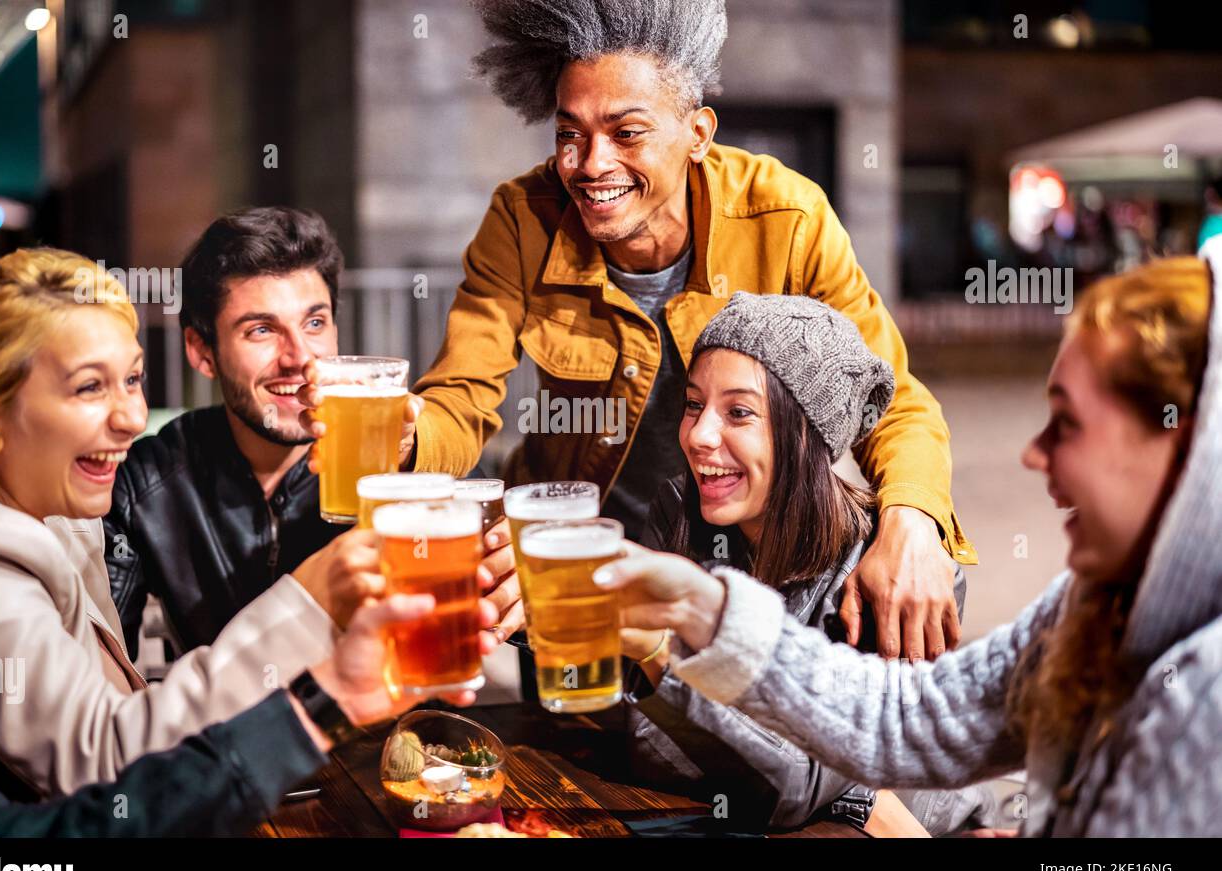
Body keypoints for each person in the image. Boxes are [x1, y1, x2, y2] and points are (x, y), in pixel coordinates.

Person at [367, 0, 975, 659]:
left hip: (734, 576)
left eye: (626, 133)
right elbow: (459, 402)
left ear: (698, 133)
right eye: (569, 134)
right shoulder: (522, 221)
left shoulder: (788, 216)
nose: (590, 163)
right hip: (577, 570)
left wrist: (912, 521)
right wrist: (410, 436)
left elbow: (893, 398)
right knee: (570, 750)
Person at [601, 253, 1222, 836]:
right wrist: (695, 610)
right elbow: (908, 718)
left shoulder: (1203, 687)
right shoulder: (1093, 605)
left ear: (1188, 449)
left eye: (1068, 423)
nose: (1034, 454)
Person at [0, 279, 495, 835]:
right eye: (89, 387)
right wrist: (308, 602)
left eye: (132, 379)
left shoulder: (63, 506)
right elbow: (106, 760)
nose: (129, 416)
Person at [619, 291, 998, 834]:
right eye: (694, 404)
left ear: (807, 433)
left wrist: (661, 657)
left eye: (739, 412)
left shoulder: (891, 576)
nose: (699, 436)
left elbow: (794, 787)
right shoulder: (678, 513)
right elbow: (652, 746)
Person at [102, 207, 524, 658]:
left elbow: (510, 624)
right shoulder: (147, 484)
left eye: (315, 322)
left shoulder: (415, 463)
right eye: (261, 329)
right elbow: (105, 670)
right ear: (202, 352)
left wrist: (515, 592)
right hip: (232, 727)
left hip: (396, 726)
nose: (300, 357)